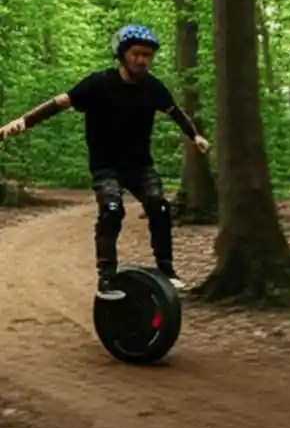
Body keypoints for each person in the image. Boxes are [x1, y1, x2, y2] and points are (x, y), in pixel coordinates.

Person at [0, 25, 211, 300]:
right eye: (136, 54)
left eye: (147, 55)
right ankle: (107, 278)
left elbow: (176, 113)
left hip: (140, 165)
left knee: (159, 206)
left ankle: (167, 270)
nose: (142, 60)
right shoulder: (99, 84)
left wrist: (195, 136)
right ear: (122, 54)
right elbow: (60, 102)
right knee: (111, 210)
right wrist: (24, 122)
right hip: (106, 166)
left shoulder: (153, 88)